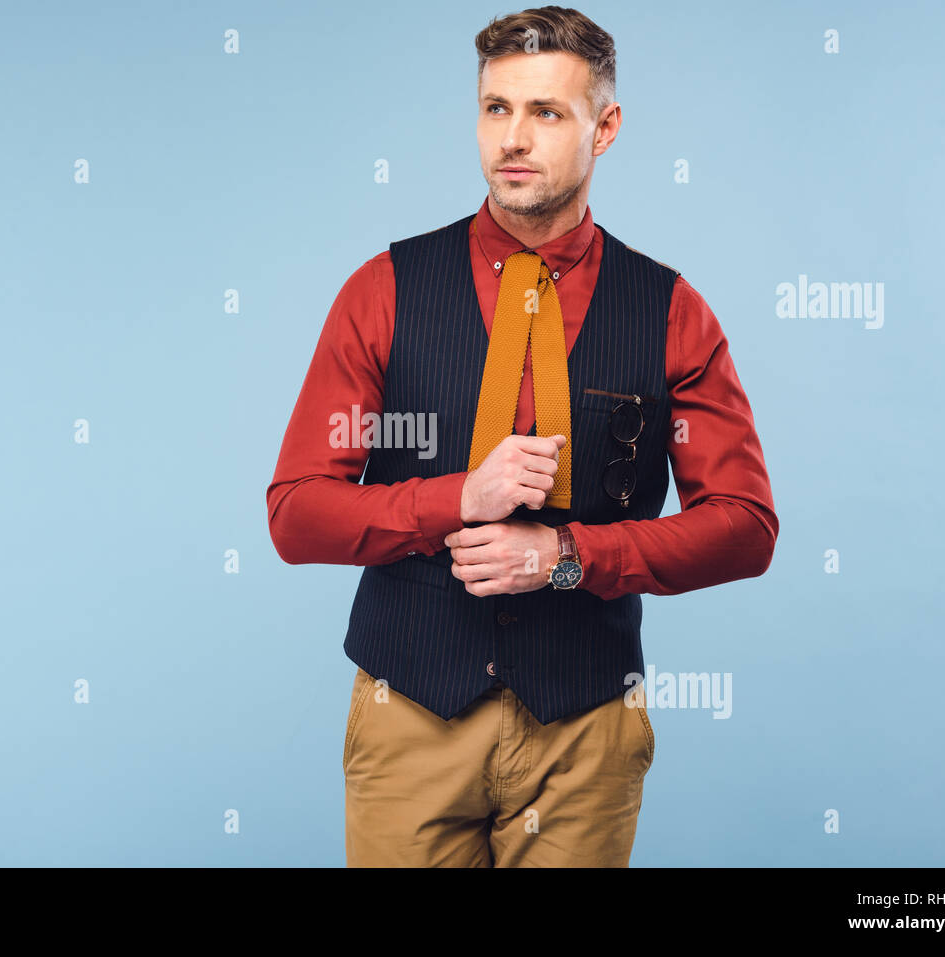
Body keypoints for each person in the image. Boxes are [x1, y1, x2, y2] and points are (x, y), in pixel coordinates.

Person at [266, 5, 778, 867]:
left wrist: (567, 556)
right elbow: (295, 514)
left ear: (604, 128)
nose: (513, 137)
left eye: (546, 112)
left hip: (585, 735)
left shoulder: (669, 311)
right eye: (496, 108)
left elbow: (745, 526)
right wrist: (454, 498)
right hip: (410, 722)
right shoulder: (383, 290)